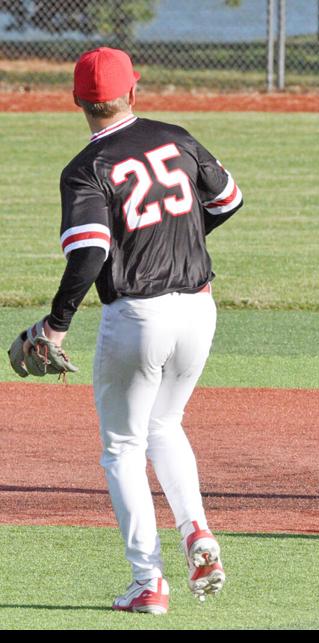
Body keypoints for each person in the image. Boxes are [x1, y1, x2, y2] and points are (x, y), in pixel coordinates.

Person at [25, 47, 242, 614]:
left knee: (122, 447)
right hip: (199, 310)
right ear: (134, 93)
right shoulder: (177, 136)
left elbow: (90, 255)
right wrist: (178, 238)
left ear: (78, 102)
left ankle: (148, 581)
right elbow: (228, 200)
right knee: (165, 424)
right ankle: (196, 531)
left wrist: (56, 323)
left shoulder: (86, 168)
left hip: (138, 316)